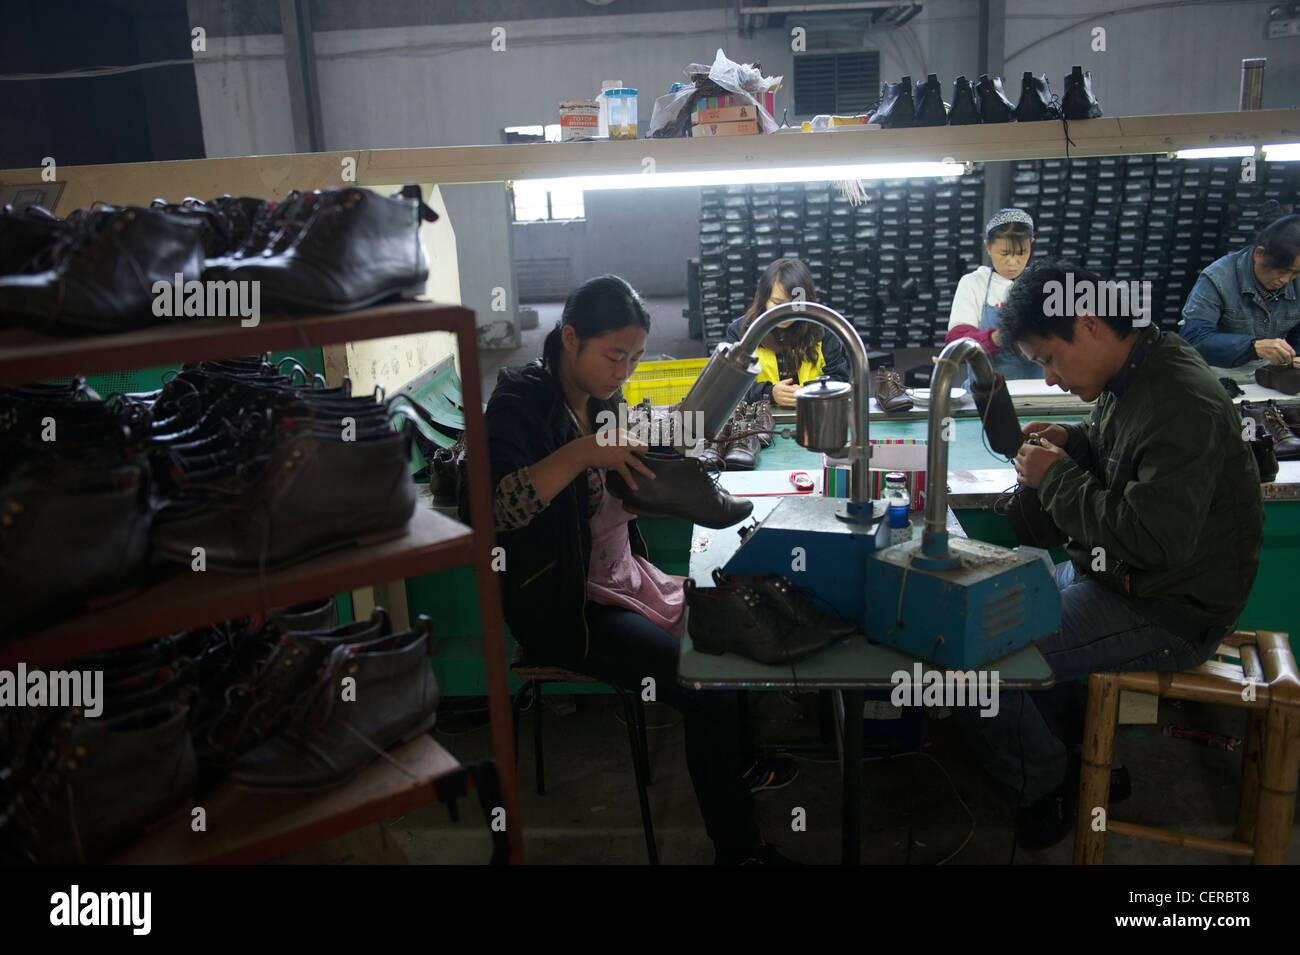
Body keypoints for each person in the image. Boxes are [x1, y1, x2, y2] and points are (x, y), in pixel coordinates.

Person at [958, 258, 1264, 850]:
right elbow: (1129, 458)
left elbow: (1151, 540)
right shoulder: (1140, 365)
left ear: (1090, 322)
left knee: (975, 662)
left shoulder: (1182, 400)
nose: (1048, 378)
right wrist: (1075, 442)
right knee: (984, 607)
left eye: (1049, 357)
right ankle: (1072, 757)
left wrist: (1056, 480)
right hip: (1119, 578)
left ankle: (1048, 785)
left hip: (1166, 606)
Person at [484, 274, 790, 864]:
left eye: (635, 358)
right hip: (566, 605)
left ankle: (736, 763)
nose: (623, 372)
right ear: (569, 338)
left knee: (731, 632)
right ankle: (740, 849)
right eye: (614, 356)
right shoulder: (519, 404)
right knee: (704, 685)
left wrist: (664, 445)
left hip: (621, 576)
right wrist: (581, 454)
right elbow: (497, 508)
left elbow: (619, 472)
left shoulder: (602, 399)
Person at [1180, 211, 1300, 368]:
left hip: (1275, 373)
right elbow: (1194, 339)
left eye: (1295, 272)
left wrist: (1296, 354)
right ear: (1259, 254)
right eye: (1281, 271)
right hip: (1223, 374)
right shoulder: (1218, 278)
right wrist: (1252, 346)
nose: (1285, 280)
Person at [723, 258, 849, 407]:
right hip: (760, 420)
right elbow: (729, 387)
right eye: (777, 303)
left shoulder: (823, 329)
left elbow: (839, 379)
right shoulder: (741, 332)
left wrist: (808, 392)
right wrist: (769, 393)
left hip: (815, 413)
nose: (786, 312)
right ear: (764, 299)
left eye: (795, 304)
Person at [946, 208, 1044, 385]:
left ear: (1031, 244)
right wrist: (996, 338)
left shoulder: (1043, 282)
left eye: (1021, 253)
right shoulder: (974, 283)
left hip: (1039, 391)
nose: (1013, 262)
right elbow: (956, 345)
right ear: (988, 247)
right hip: (987, 391)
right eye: (1005, 253)